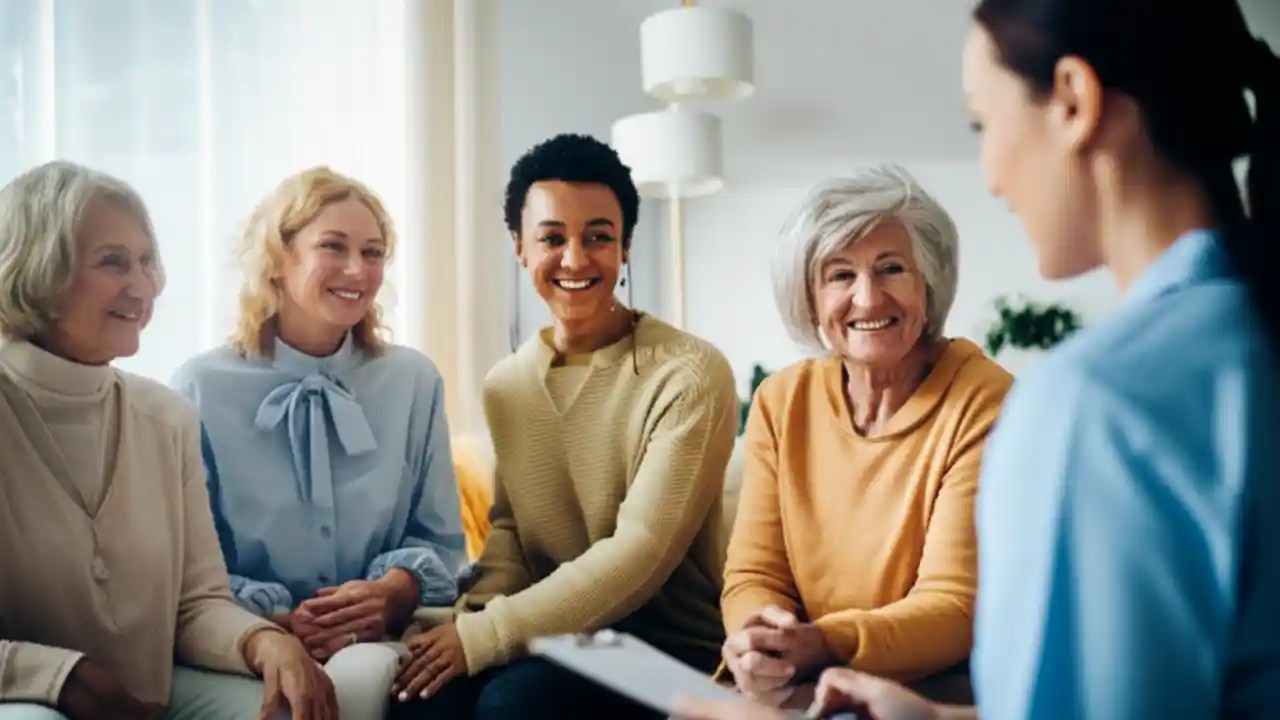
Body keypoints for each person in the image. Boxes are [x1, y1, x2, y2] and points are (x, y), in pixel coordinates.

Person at [675, 0, 1280, 718]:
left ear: (1075, 103)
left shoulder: (1091, 403)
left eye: (982, 124)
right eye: (840, 273)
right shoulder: (1243, 335)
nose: (990, 175)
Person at [393, 133, 738, 719]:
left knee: (514, 707)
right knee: (420, 698)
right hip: (555, 642)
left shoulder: (690, 373)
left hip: (671, 655)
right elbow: (512, 537)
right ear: (521, 248)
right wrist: (463, 627)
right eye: (552, 238)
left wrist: (484, 638)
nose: (575, 259)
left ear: (625, 246)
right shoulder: (509, 384)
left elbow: (639, 554)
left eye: (598, 237)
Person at [0, 161, 336, 719]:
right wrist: (59, 676)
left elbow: (196, 605)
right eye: (113, 262)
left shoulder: (167, 417)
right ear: (40, 271)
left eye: (147, 262)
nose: (145, 286)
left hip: (151, 699)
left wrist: (266, 642)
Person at [171, 167, 467, 719]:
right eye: (333, 247)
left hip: (379, 646)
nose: (358, 270)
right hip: (246, 643)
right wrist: (273, 623)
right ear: (277, 260)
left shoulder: (413, 381)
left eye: (373, 252)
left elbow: (443, 542)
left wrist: (396, 590)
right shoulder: (199, 388)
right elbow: (187, 568)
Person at [719, 166, 1011, 710]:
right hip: (803, 680)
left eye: (891, 269)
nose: (868, 298)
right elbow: (755, 573)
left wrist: (826, 643)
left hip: (930, 695)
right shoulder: (781, 401)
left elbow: (954, 606)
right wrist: (759, 637)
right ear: (810, 298)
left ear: (929, 283)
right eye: (840, 276)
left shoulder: (984, 400)